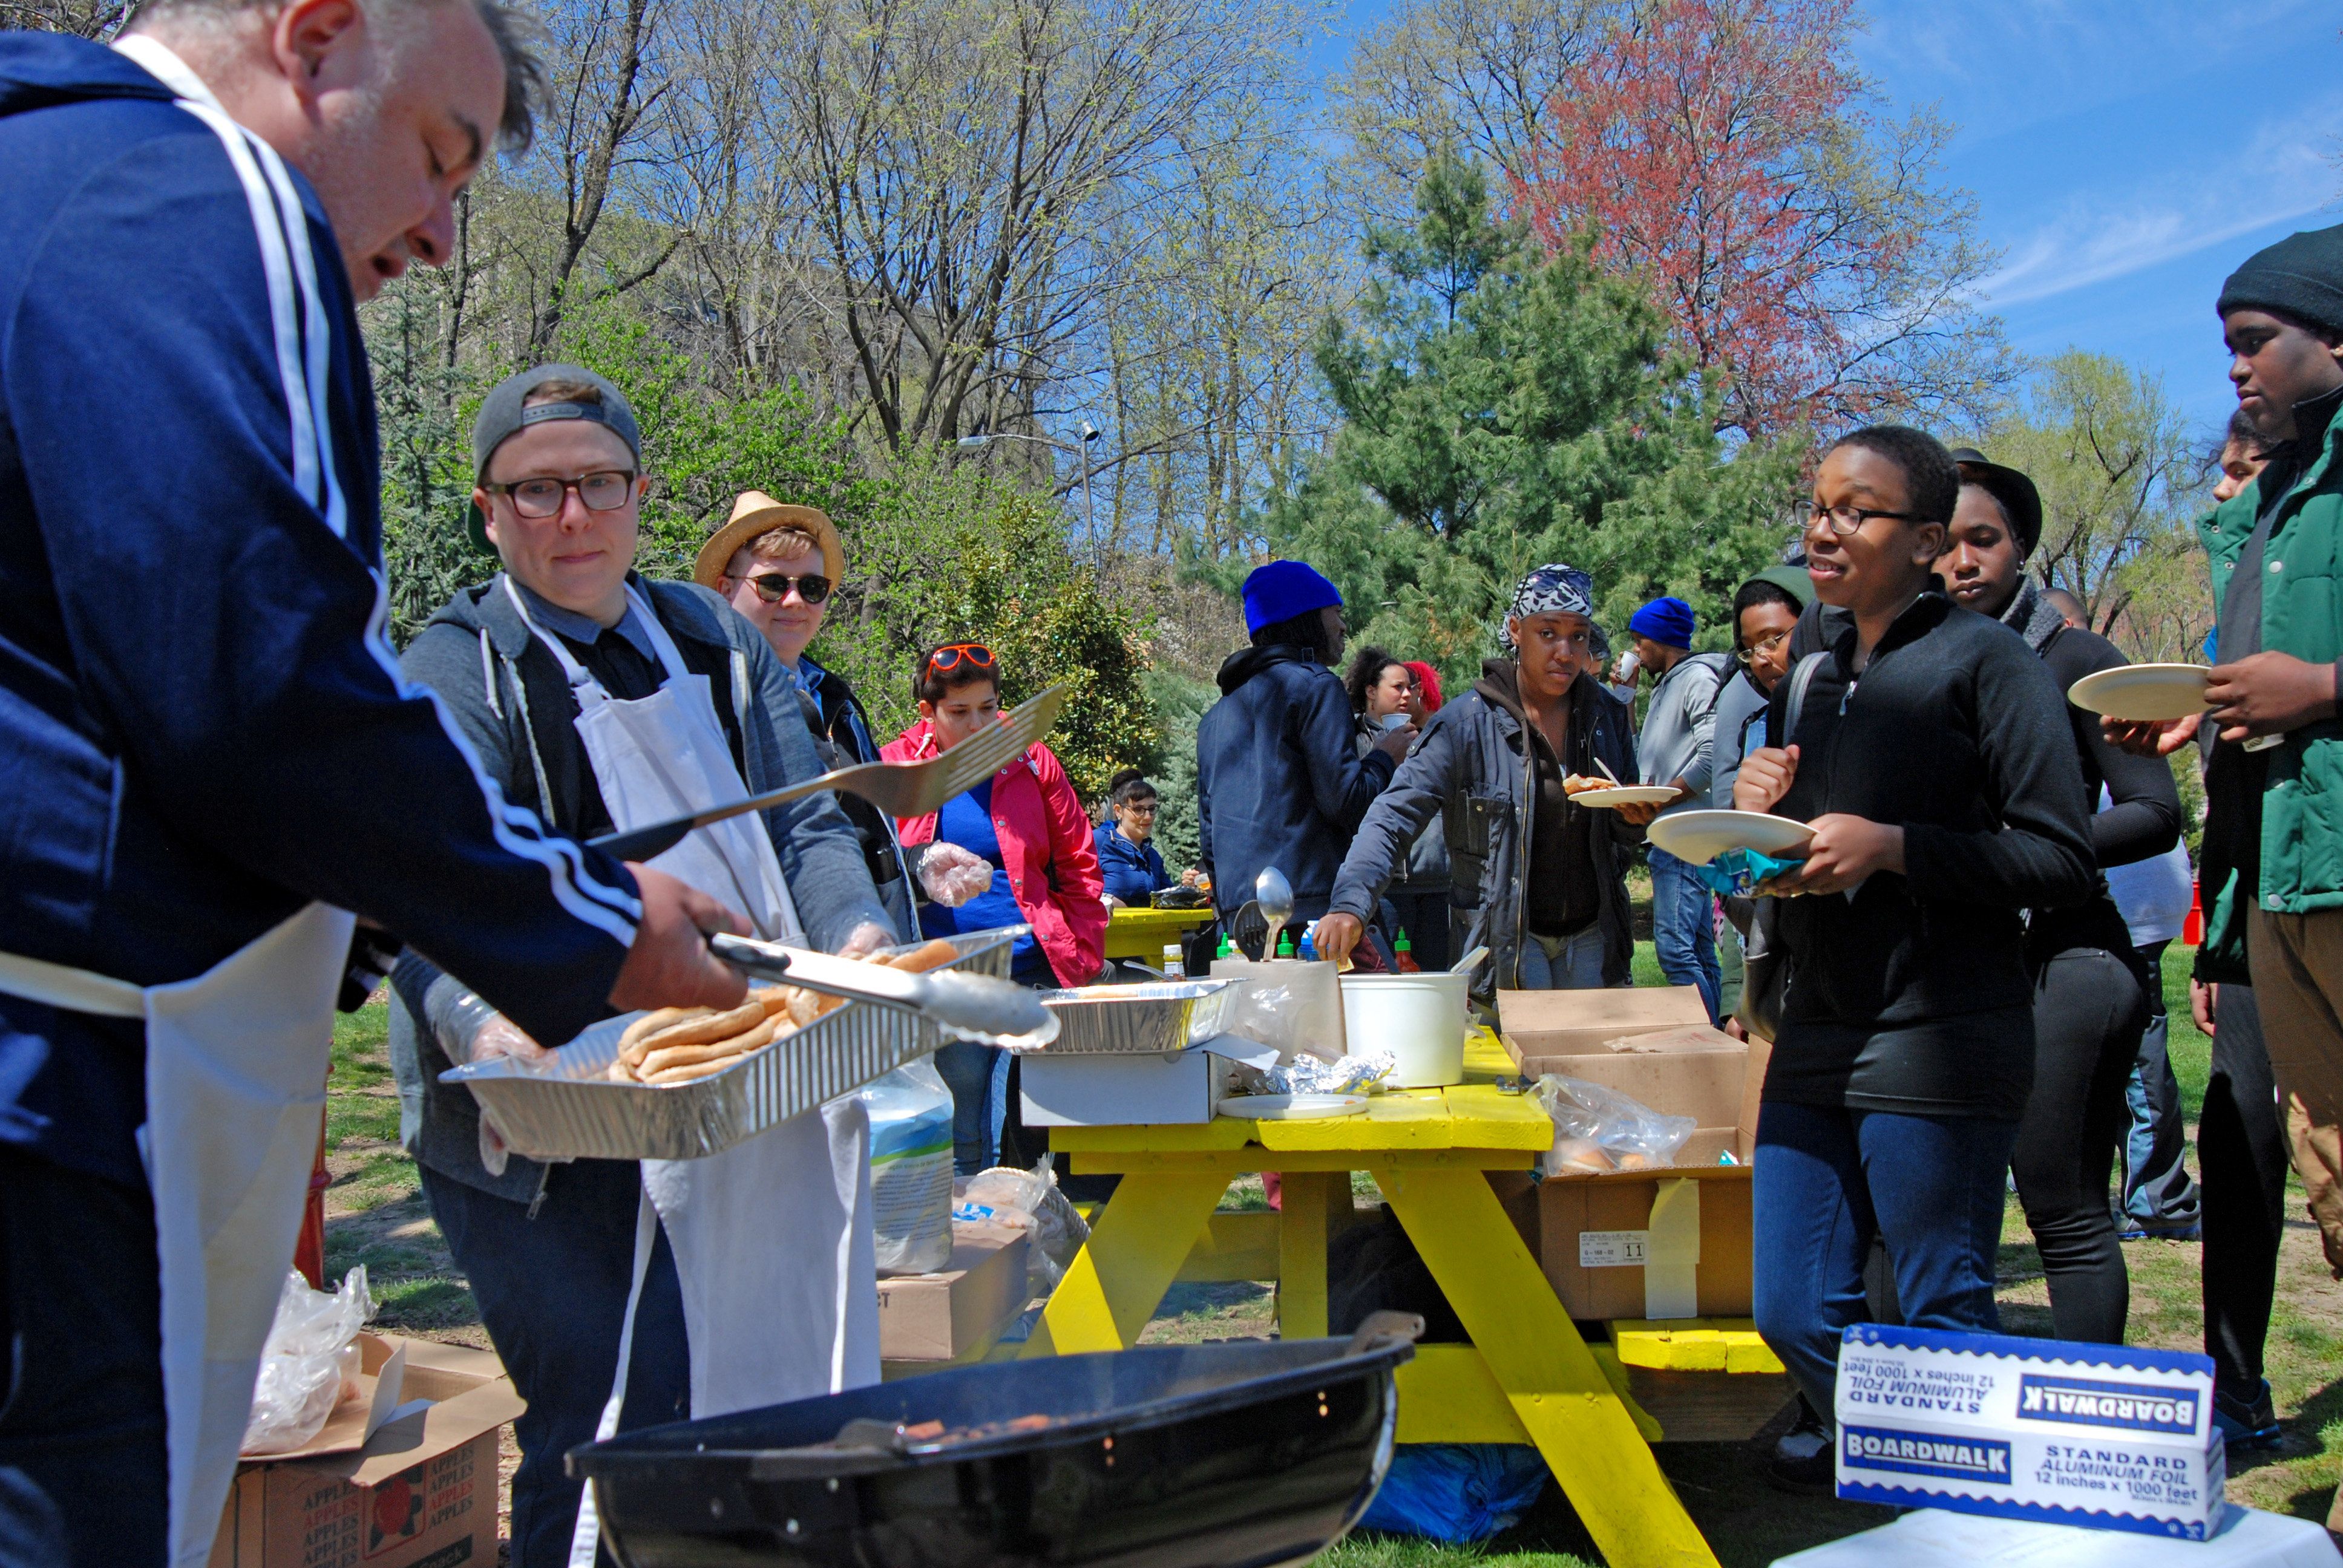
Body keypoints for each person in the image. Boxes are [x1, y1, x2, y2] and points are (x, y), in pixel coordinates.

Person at [0, 13, 760, 1568]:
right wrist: (586, 919)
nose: (440, 231)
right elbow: (256, 673)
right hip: (70, 1078)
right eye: (436, 157)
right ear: (318, 33)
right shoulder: (193, 189)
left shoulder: (38, 173)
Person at [388, 365, 897, 1566]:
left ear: (641, 492)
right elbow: (415, 871)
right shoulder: (463, 668)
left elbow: (813, 819)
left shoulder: (713, 638)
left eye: (597, 485)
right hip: (545, 1115)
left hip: (741, 1072)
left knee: (760, 1394)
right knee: (609, 1412)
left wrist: (859, 937)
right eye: (536, 492)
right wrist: (479, 1022)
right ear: (487, 509)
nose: (572, 518)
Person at [1735, 426, 2094, 1488]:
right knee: (1790, 1308)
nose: (1823, 529)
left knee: (1941, 1307)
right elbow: (1798, 850)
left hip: (1943, 1029)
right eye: (1817, 505)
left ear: (1928, 537)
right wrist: (1764, 816)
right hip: (1818, 1018)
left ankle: (1962, 1508)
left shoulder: (1992, 663)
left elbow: (2059, 856)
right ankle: (1928, 1460)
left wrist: (1894, 849)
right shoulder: (1809, 671)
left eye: (1857, 510)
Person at [2110, 229, 2343, 1282]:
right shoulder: (2267, 505)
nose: (2235, 367)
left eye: (2255, 340)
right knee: (2328, 1166)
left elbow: (2308, 677)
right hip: (2274, 876)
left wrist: (2322, 688)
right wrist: (2199, 708)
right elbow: (2259, 671)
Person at [1938, 446, 2181, 1344]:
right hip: (1957, 970)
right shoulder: (1922, 660)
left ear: (2020, 550)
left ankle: (2092, 1428)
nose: (1963, 562)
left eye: (1984, 540)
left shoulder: (2075, 654)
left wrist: (2022, 852)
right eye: (1947, 543)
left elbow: (2157, 812)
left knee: (2061, 1203)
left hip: (2069, 961)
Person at [1317, 564, 1658, 993]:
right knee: (1521, 1059)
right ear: (1516, 630)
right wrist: (1351, 904)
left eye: (1579, 635)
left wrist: (1632, 819)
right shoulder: (1465, 725)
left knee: (1583, 1057)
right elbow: (1393, 815)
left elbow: (1621, 823)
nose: (1566, 652)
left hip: (1592, 936)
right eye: (1548, 633)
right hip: (1507, 940)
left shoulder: (1605, 718)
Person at [885, 642, 1105, 1171]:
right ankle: (970, 1240)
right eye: (959, 713)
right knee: (961, 1127)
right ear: (928, 713)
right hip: (946, 982)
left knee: (1029, 1130)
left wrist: (1084, 954)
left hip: (1031, 972)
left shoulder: (1032, 758)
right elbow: (879, 868)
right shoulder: (896, 768)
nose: (979, 724)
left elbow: (1079, 862)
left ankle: (1026, 1238)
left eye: (988, 707)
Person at [698, 491, 916, 935]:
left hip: (870, 940)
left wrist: (916, 865)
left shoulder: (836, 698)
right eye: (774, 584)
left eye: (812, 587)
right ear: (725, 589)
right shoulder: (706, 699)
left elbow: (859, 828)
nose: (795, 601)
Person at [1197, 562, 1414, 945]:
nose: (1343, 627)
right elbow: (1345, 802)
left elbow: (1210, 837)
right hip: (1313, 915)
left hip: (1240, 920)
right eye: (1335, 613)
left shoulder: (1214, 719)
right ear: (1307, 618)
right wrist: (1386, 756)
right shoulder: (1316, 687)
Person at [1711, 567, 1814, 1027]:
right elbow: (1745, 878)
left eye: (1775, 639)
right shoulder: (1769, 726)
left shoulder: (1871, 713)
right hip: (1791, 976)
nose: (1760, 660)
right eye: (1750, 648)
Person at [1622, 595, 1731, 1019]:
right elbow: (1640, 758)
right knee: (1701, 950)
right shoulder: (1667, 683)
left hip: (1684, 832)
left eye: (1638, 641)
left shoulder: (1698, 678)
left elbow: (1712, 753)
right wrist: (1627, 698)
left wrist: (1663, 799)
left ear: (1660, 639)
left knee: (1674, 951)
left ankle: (1704, 1044)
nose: (1634, 652)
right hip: (1669, 829)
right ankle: (1719, 1034)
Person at [1388, 661, 1455, 970]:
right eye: (1395, 687)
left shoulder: (1446, 737)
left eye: (1409, 688)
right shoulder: (1380, 740)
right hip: (1395, 885)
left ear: (1422, 690)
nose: (1402, 697)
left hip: (1441, 883)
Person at [1095, 768, 1191, 908]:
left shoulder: (1153, 857)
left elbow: (1167, 901)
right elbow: (1074, 885)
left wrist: (1186, 887)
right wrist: (1107, 900)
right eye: (1138, 809)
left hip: (1146, 930)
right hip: (1107, 929)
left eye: (1152, 809)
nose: (1148, 817)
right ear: (1118, 811)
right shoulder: (1098, 842)